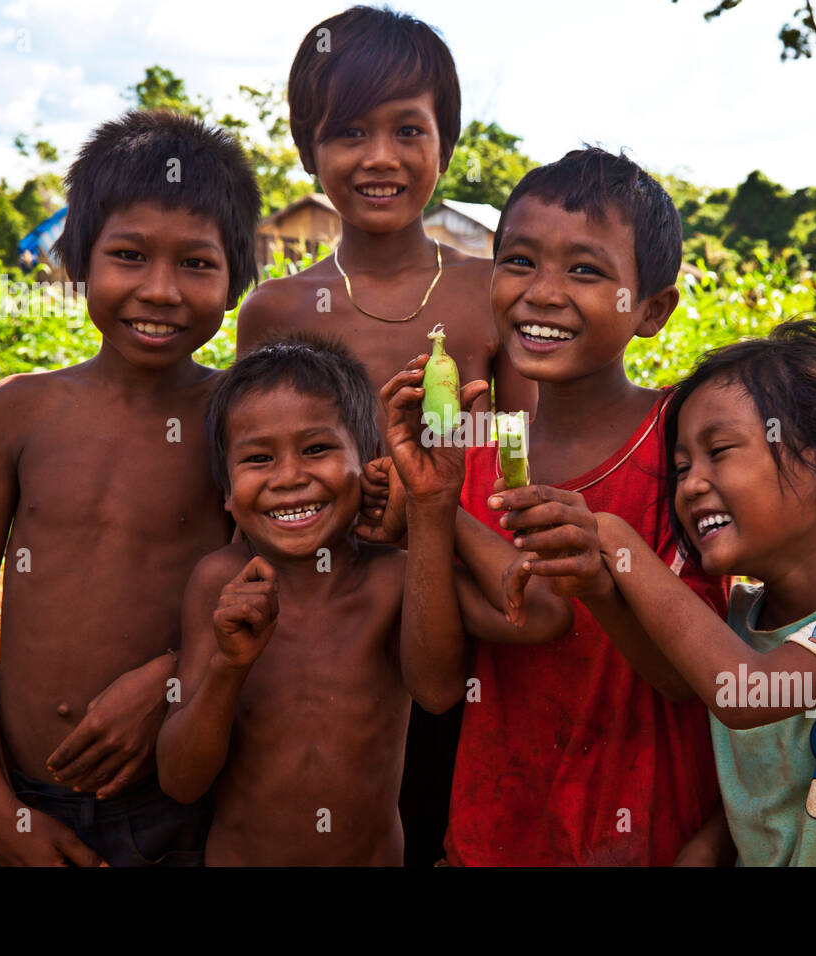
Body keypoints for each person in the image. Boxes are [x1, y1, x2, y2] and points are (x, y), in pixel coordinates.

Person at [507, 319, 816, 866]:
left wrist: (616, 538)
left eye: (721, 451)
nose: (690, 483)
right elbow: (674, 681)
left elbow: (744, 694)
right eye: (682, 466)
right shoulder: (734, 623)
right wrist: (595, 584)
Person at [237, 5, 537, 865]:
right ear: (308, 150)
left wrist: (442, 483)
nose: (380, 157)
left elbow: (521, 458)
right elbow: (251, 474)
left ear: (446, 140)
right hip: (320, 631)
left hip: (468, 614)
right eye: (348, 132)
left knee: (449, 822)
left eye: (409, 128)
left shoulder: (493, 291)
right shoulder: (277, 311)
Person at [0, 110, 262, 866]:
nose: (161, 290)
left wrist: (172, 679)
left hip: (177, 799)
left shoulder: (240, 422)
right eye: (130, 255)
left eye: (198, 264)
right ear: (79, 261)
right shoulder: (19, 412)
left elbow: (276, 596)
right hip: (23, 800)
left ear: (237, 279)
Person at [400, 147, 733, 866]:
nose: (542, 292)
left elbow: (698, 675)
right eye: (518, 262)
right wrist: (429, 509)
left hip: (648, 835)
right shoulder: (472, 454)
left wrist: (607, 578)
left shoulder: (686, 444)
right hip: (493, 835)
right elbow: (432, 688)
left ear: (652, 310)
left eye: (584, 270)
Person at [156, 335, 567, 865]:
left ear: (371, 465)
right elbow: (180, 780)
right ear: (228, 494)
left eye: (317, 449)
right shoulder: (219, 584)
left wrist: (433, 500)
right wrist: (227, 668)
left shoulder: (393, 577)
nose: (290, 478)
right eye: (258, 458)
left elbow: (529, 622)